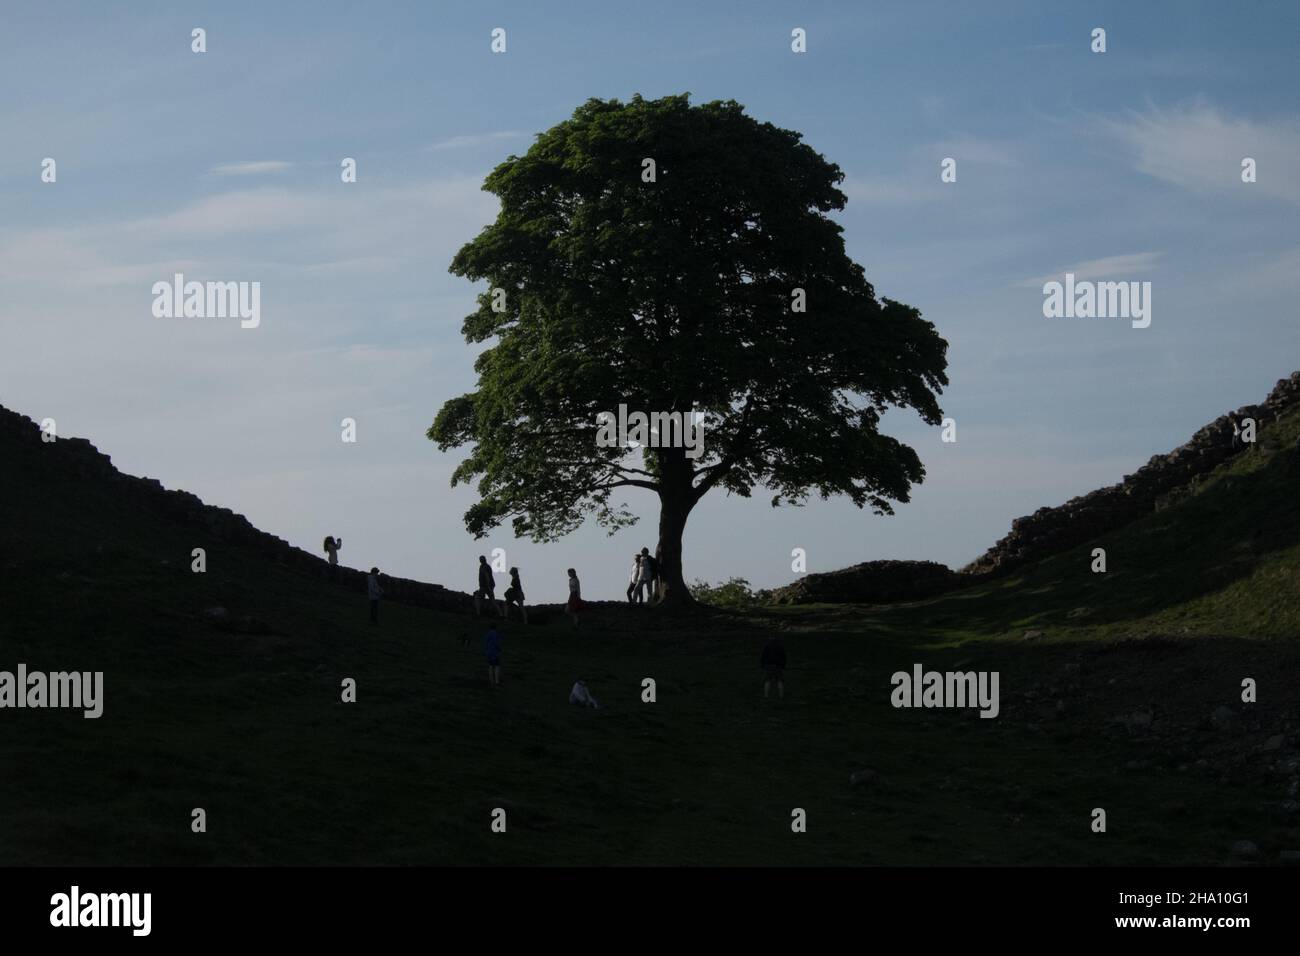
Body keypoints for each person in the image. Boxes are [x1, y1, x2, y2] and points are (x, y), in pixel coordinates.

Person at [761, 635, 787, 700]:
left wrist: (763, 665)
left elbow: (763, 656)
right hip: (778, 665)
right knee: (780, 681)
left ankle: (766, 696)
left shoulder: (766, 646)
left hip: (768, 665)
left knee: (767, 681)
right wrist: (783, 666)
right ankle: (781, 696)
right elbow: (784, 657)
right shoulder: (780, 646)